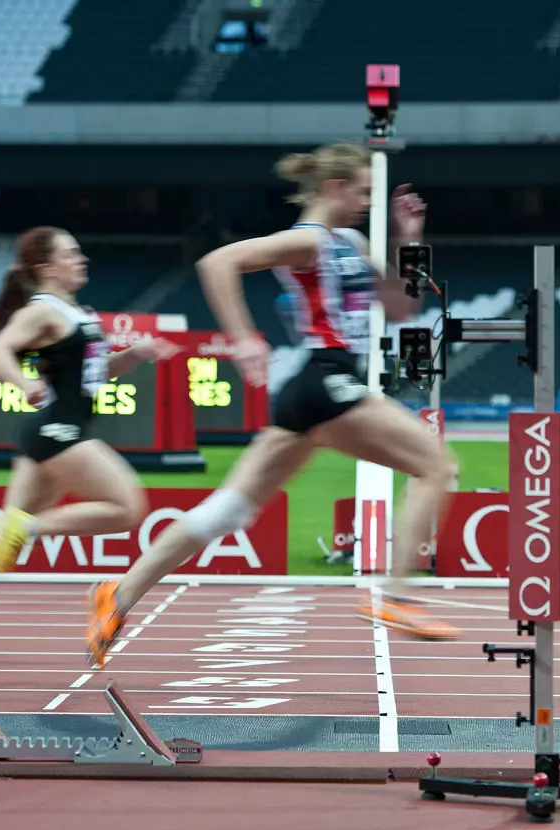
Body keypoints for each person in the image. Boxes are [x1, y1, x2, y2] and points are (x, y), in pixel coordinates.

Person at [84, 141, 460, 669]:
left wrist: (411, 239)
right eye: (362, 192)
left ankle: (118, 595)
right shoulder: (304, 241)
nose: (366, 203)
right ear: (335, 188)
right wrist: (242, 337)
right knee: (438, 466)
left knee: (227, 510)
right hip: (324, 381)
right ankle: (397, 596)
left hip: (314, 393)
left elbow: (401, 304)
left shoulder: (350, 240)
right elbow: (218, 263)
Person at [0, 226, 181, 666]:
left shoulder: (78, 313)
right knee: (127, 507)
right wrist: (23, 382)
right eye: (71, 254)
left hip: (51, 432)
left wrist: (136, 354)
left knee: (6, 535)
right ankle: (30, 528)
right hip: (57, 429)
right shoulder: (41, 311)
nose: (82, 260)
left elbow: (95, 376)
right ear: (46, 268)